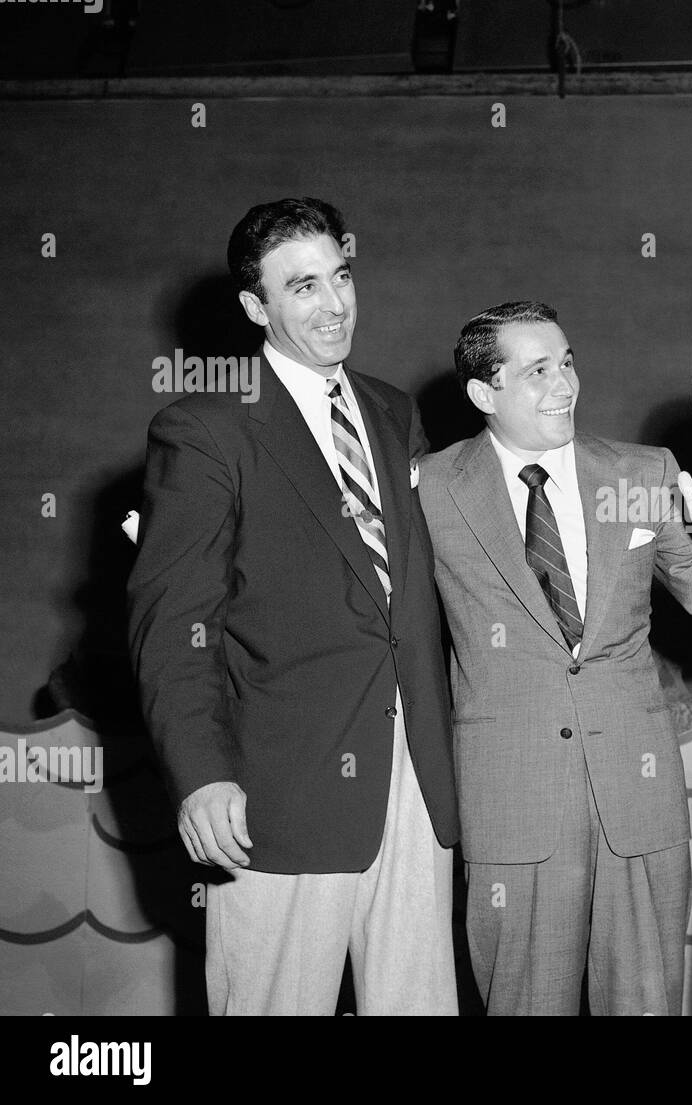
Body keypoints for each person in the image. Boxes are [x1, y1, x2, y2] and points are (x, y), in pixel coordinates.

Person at [126, 197, 459, 1015]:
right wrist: (202, 775)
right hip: (282, 791)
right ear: (254, 307)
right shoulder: (203, 428)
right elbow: (173, 621)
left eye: (340, 276)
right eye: (302, 286)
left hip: (416, 781)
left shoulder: (393, 411)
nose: (335, 303)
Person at [417, 300, 692, 1015]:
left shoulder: (643, 472)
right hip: (514, 807)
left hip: (639, 799)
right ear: (483, 393)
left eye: (566, 362)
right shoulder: (430, 489)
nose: (564, 384)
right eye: (537, 371)